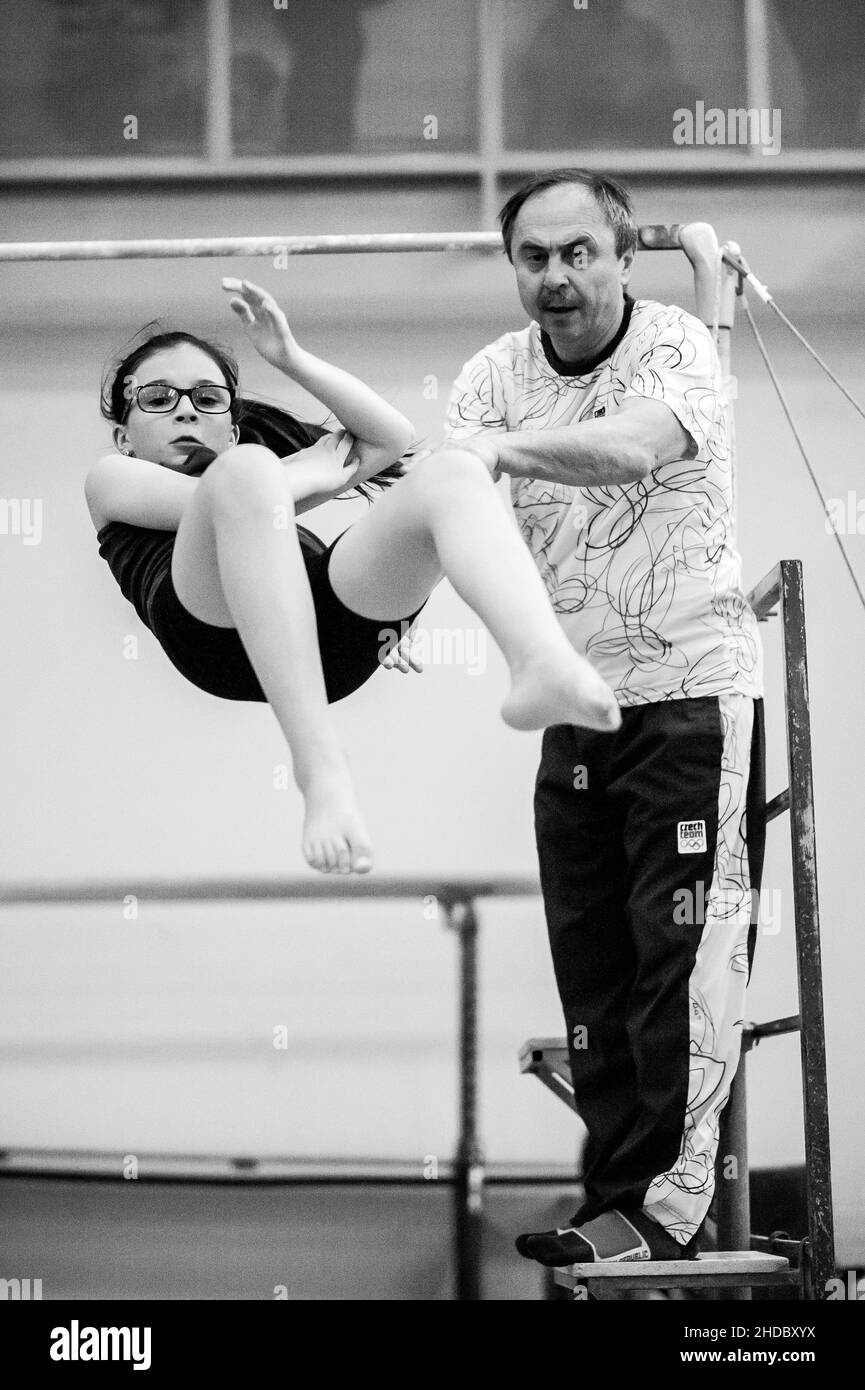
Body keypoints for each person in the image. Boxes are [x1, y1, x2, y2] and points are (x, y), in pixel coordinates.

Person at [445, 170, 766, 1263]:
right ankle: (610, 1201)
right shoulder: (491, 377)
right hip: (576, 709)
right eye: (533, 257)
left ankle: (661, 1217)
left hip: (688, 695)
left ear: (624, 257)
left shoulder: (674, 343)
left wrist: (497, 452)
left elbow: (632, 446)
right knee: (595, 965)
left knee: (676, 957)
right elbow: (449, 508)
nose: (556, 277)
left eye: (579, 252)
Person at [86, 277, 620, 878]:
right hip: (211, 636)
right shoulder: (112, 478)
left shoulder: (270, 476)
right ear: (123, 436)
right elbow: (233, 494)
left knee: (453, 472)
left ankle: (539, 662)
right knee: (247, 475)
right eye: (157, 397)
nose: (185, 408)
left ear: (231, 423)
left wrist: (291, 359)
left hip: (329, 644)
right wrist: (308, 473)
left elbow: (391, 440)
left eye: (208, 397)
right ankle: (322, 774)